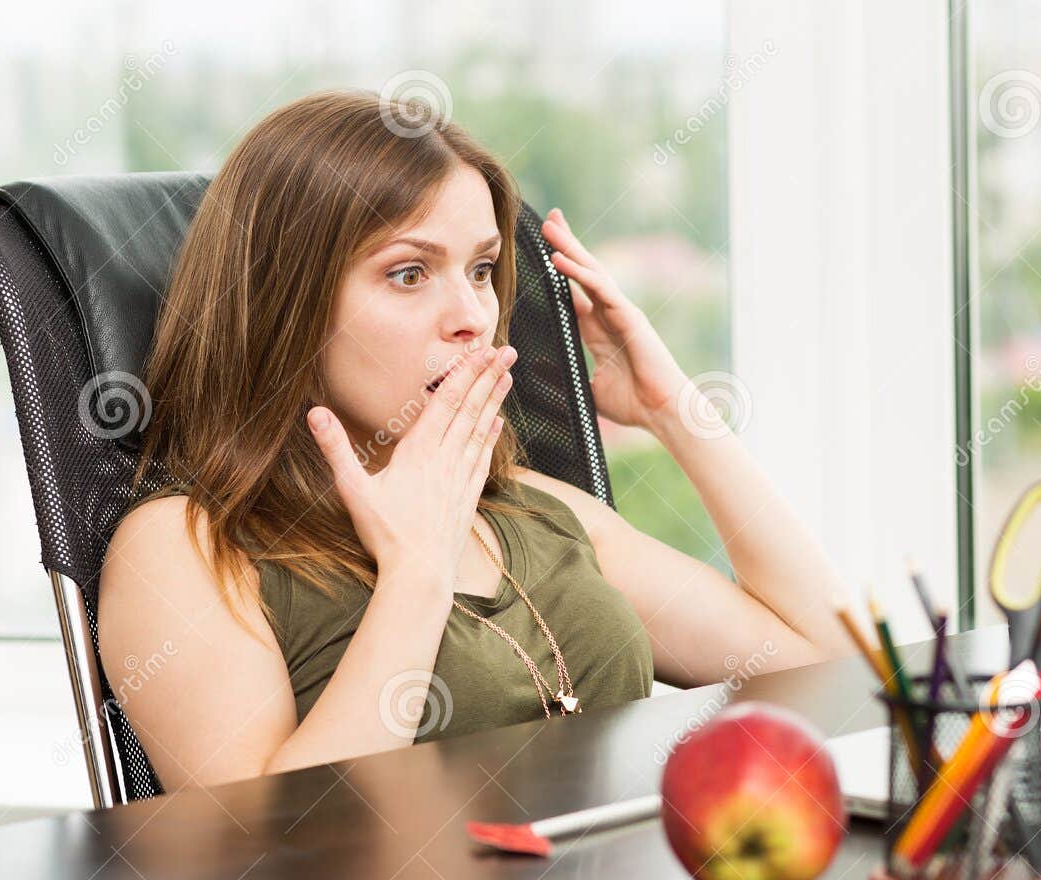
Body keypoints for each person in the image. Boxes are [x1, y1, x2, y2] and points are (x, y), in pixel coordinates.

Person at [98, 89, 854, 793]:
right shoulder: (183, 546)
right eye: (407, 273)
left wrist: (676, 410)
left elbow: (830, 672)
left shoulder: (532, 508)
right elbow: (269, 855)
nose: (472, 316)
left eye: (483, 269)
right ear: (284, 304)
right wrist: (415, 573)